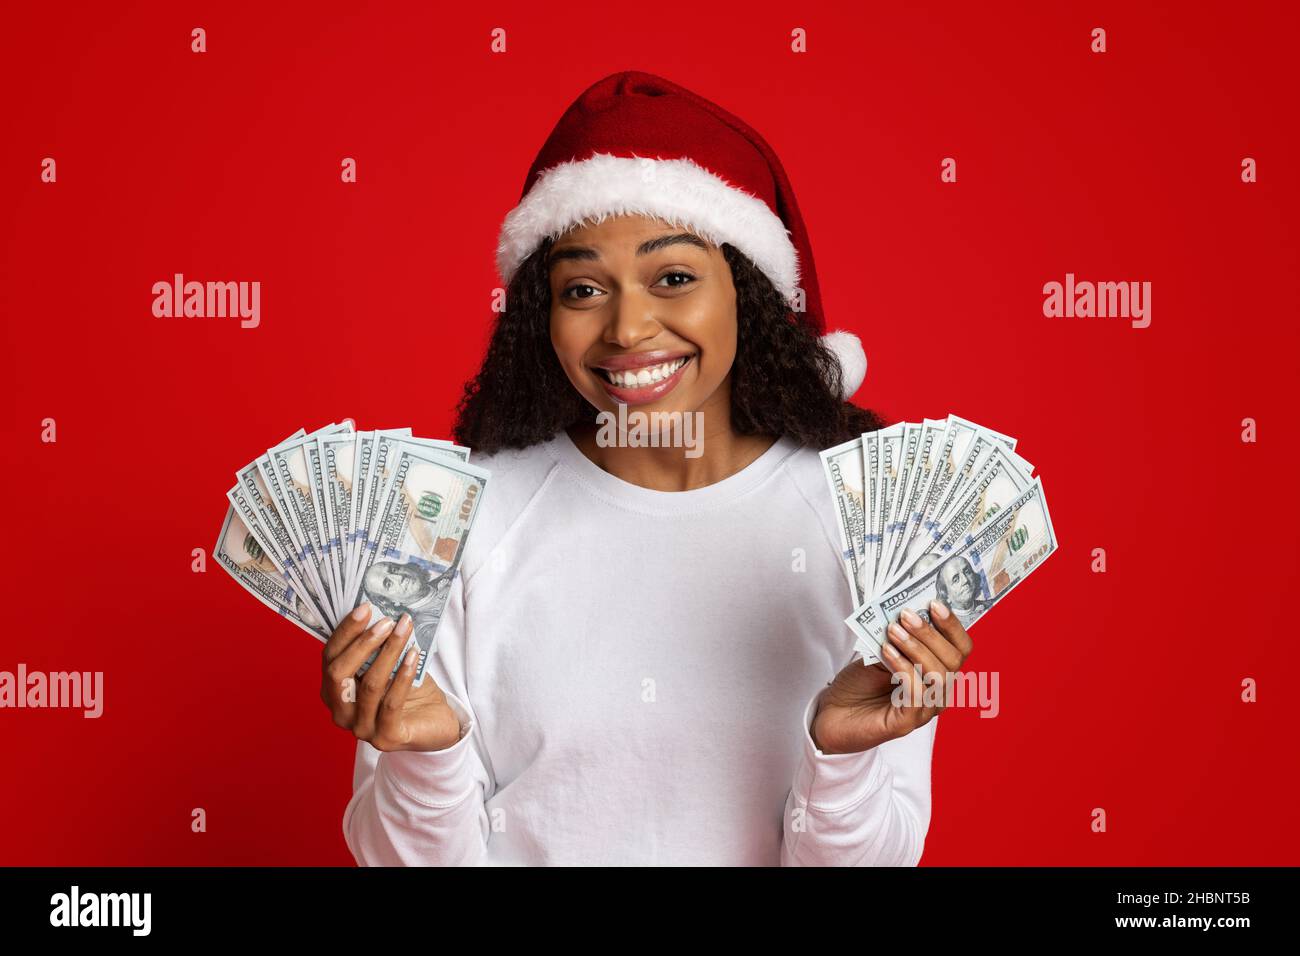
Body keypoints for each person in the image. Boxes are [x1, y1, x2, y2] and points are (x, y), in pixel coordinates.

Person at [320, 71, 976, 866]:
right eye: (584, 288)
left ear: (750, 292)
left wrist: (838, 754)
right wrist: (423, 759)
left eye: (674, 277)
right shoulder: (449, 525)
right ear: (543, 315)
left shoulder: (872, 525)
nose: (628, 328)